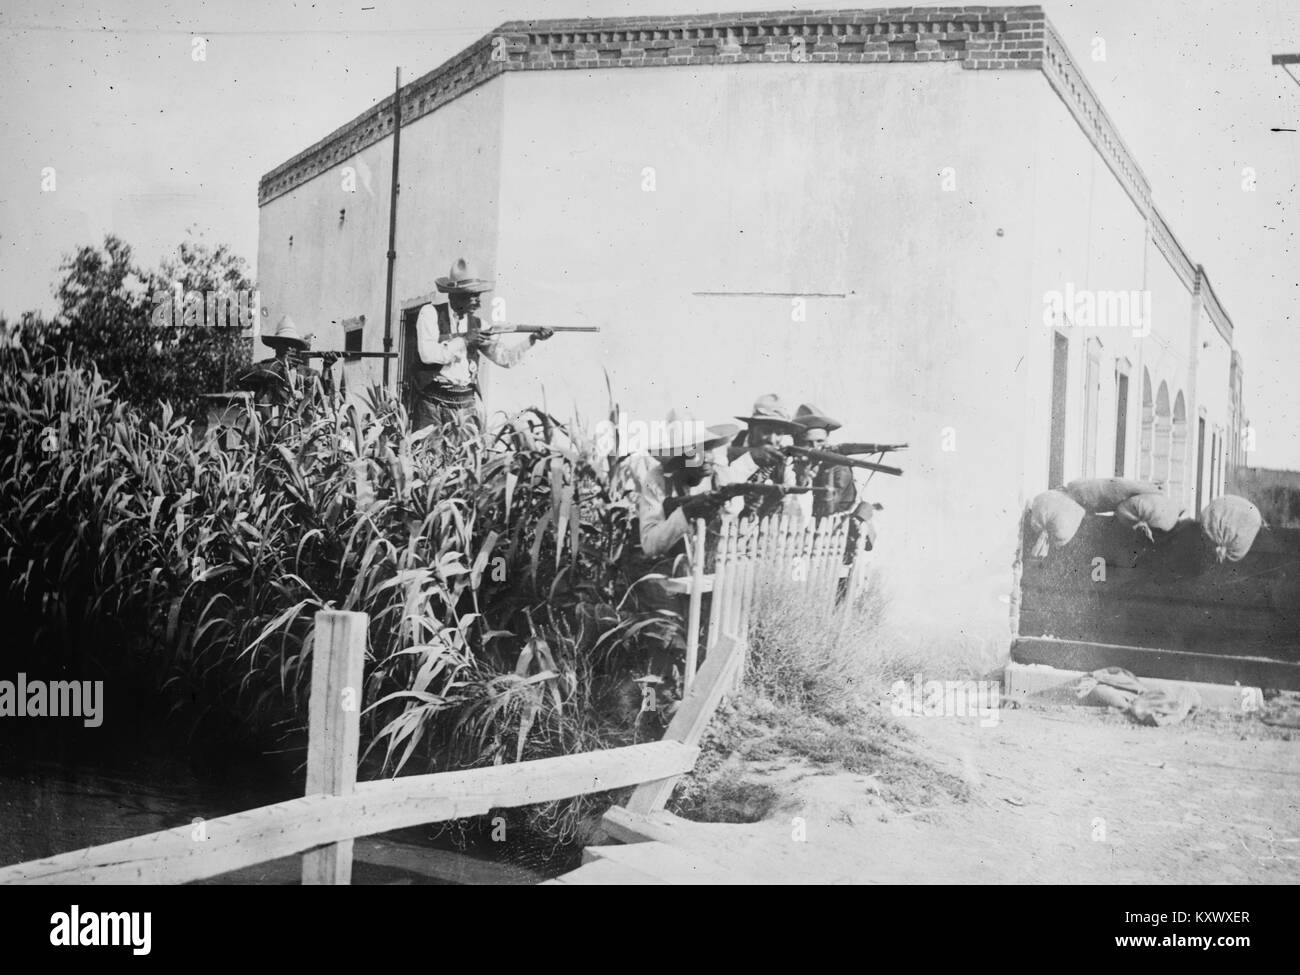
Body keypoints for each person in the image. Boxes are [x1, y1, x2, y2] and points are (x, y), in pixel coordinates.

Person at [620, 410, 742, 682]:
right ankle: (656, 701)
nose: (709, 456)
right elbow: (651, 543)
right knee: (665, 637)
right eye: (700, 451)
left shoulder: (719, 474)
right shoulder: (658, 480)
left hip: (705, 567)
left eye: (710, 448)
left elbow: (735, 520)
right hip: (657, 570)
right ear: (680, 460)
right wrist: (686, 514)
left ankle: (697, 684)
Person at [411, 258, 552, 436]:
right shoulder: (430, 314)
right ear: (455, 295)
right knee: (426, 459)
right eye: (473, 296)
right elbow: (428, 354)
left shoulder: (480, 325)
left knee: (466, 461)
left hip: (466, 407)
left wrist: (532, 339)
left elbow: (504, 358)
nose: (479, 302)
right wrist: (464, 340)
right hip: (432, 406)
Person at [727, 393, 804, 520]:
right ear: (751, 428)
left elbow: (792, 507)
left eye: (779, 433)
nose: (772, 440)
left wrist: (802, 479)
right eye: (766, 431)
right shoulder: (726, 452)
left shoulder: (783, 460)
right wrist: (751, 457)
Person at [236, 314, 337, 410]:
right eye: (284, 342)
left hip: (300, 426)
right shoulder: (264, 368)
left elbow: (323, 400)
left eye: (293, 343)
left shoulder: (309, 373)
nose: (289, 347)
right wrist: (279, 367)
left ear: (297, 347)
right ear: (275, 345)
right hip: (268, 425)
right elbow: (239, 378)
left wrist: (327, 368)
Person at [792, 403, 858, 520]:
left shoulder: (838, 467)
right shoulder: (790, 465)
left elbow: (827, 511)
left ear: (827, 439)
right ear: (796, 443)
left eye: (820, 441)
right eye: (808, 443)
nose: (815, 447)